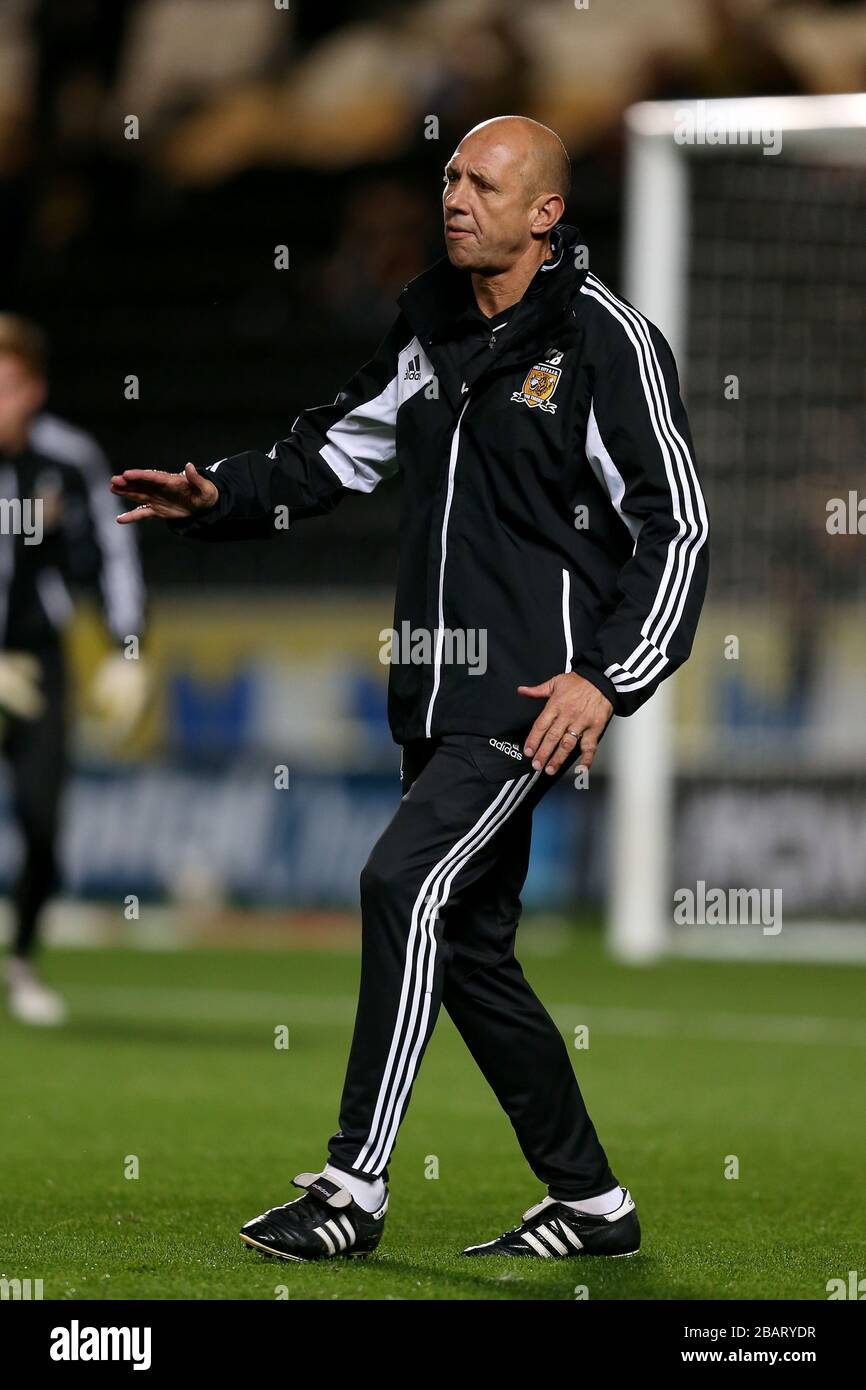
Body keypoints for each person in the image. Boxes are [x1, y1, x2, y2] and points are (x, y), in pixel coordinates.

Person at [111, 116, 709, 1262]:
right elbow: (336, 447)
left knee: (398, 879)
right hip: (429, 696)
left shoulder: (603, 341)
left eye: (483, 182)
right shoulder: (430, 320)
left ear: (545, 213)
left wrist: (606, 677)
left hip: (527, 698)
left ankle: (352, 1187)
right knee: (469, 947)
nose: (454, 195)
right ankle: (591, 1204)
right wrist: (222, 497)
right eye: (447, 175)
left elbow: (675, 525)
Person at [0, 315, 147, 1025]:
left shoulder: (68, 458)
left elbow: (108, 555)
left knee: (43, 816)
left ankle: (22, 959)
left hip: (35, 663)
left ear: (34, 390)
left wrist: (126, 650)